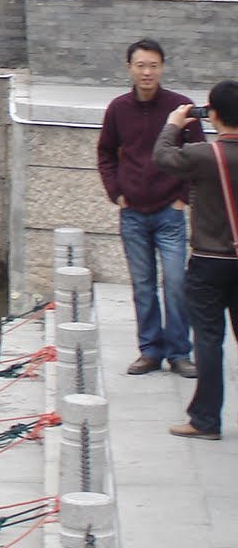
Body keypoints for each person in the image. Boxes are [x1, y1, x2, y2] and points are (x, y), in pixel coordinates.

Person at [98, 38, 203, 376]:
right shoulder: (118, 108)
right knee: (142, 285)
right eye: (140, 65)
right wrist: (117, 193)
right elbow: (106, 153)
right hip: (132, 213)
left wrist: (181, 198)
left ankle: (179, 352)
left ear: (162, 67)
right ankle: (149, 351)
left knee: (174, 282)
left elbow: (198, 156)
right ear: (129, 67)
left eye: (153, 65)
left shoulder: (180, 108)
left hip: (168, 212)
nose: (147, 72)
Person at [154, 82, 238, 440]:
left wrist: (175, 122)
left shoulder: (204, 155)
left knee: (208, 340)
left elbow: (162, 156)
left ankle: (205, 420)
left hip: (208, 261)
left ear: (213, 113)